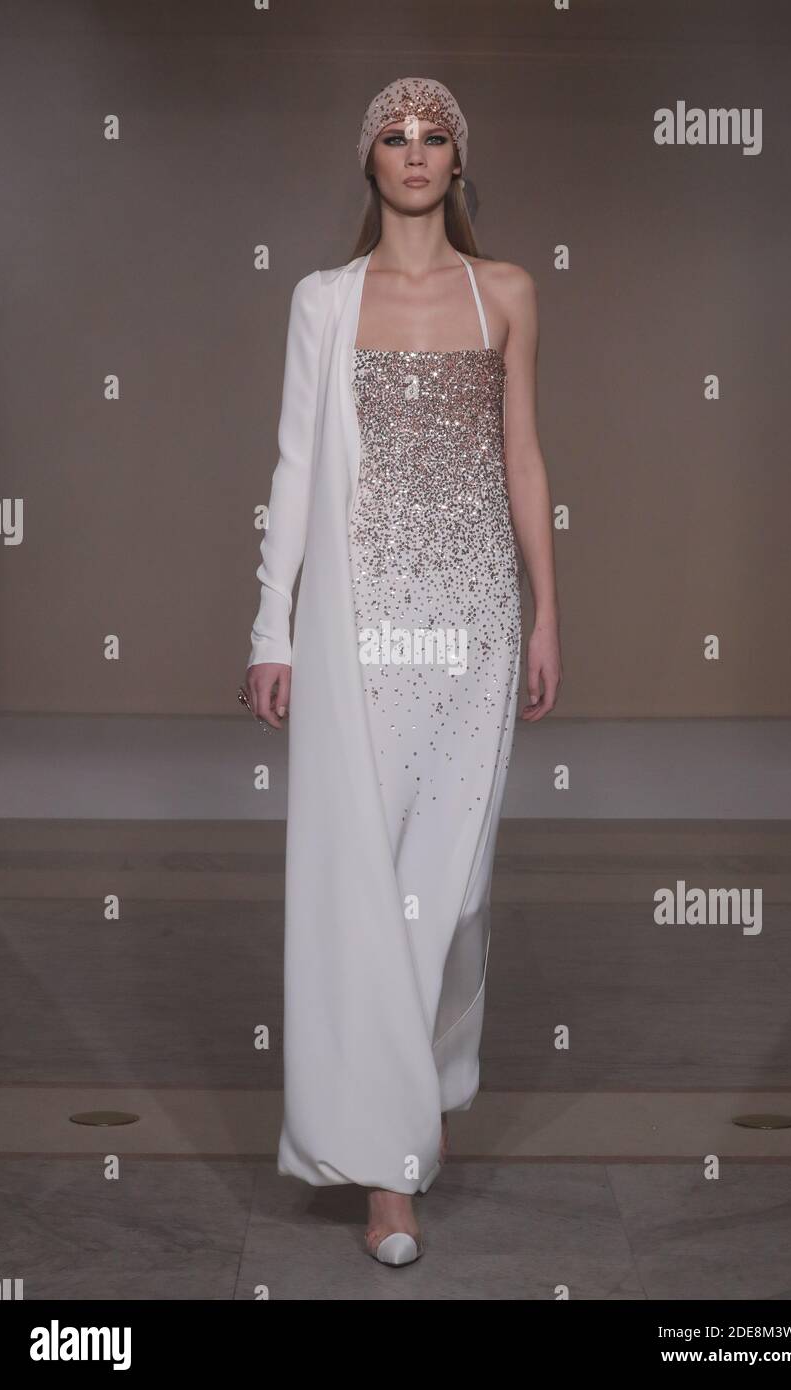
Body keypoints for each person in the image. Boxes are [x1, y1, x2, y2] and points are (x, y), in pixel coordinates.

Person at [244, 76, 561, 1267]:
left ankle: (404, 1103)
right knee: (362, 888)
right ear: (368, 160)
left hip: (476, 620)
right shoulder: (324, 301)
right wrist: (270, 632)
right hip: (360, 626)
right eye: (395, 135)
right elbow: (292, 469)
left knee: (447, 889)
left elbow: (523, 456)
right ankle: (386, 1173)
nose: (416, 153)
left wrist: (545, 612)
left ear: (457, 160)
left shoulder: (508, 292)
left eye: (435, 137)